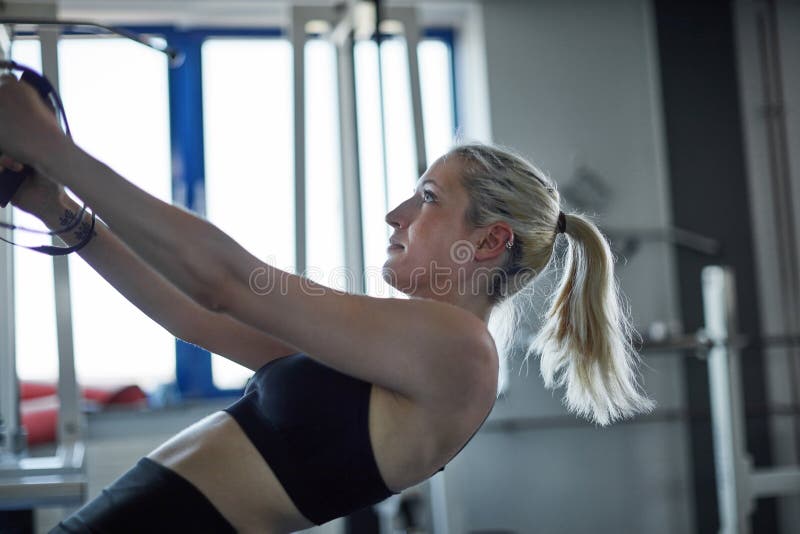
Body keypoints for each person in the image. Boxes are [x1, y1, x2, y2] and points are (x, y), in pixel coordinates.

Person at [0, 74, 654, 533]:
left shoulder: (461, 352)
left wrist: (49, 145)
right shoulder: (400, 347)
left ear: (489, 241)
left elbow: (224, 281)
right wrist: (55, 207)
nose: (395, 215)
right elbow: (195, 314)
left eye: (428, 198)